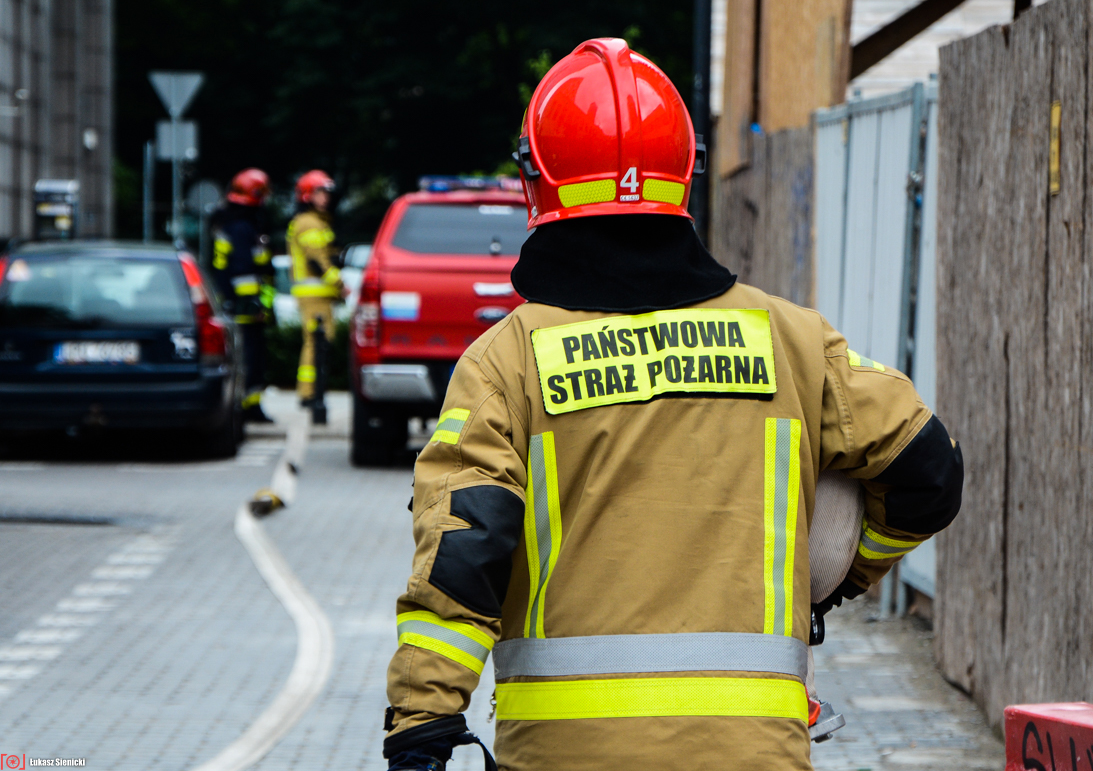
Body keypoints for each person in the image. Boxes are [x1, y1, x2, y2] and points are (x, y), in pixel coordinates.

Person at [382, 38, 964, 771]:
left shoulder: (508, 360)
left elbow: (466, 549)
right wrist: (838, 577)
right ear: (683, 180)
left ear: (538, 180)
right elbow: (930, 474)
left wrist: (422, 723)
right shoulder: (792, 339)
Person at [211, 167, 275, 423]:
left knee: (251, 355)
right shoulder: (241, 228)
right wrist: (253, 304)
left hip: (238, 304)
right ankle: (249, 407)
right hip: (245, 307)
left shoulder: (233, 224)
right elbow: (242, 271)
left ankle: (249, 405)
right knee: (251, 357)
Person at [286, 170, 344, 422]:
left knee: (318, 342)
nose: (326, 198)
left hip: (318, 294)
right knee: (315, 342)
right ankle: (310, 394)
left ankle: (312, 392)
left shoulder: (316, 221)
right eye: (320, 192)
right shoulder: (309, 222)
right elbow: (317, 260)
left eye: (327, 192)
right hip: (314, 294)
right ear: (307, 195)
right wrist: (339, 282)